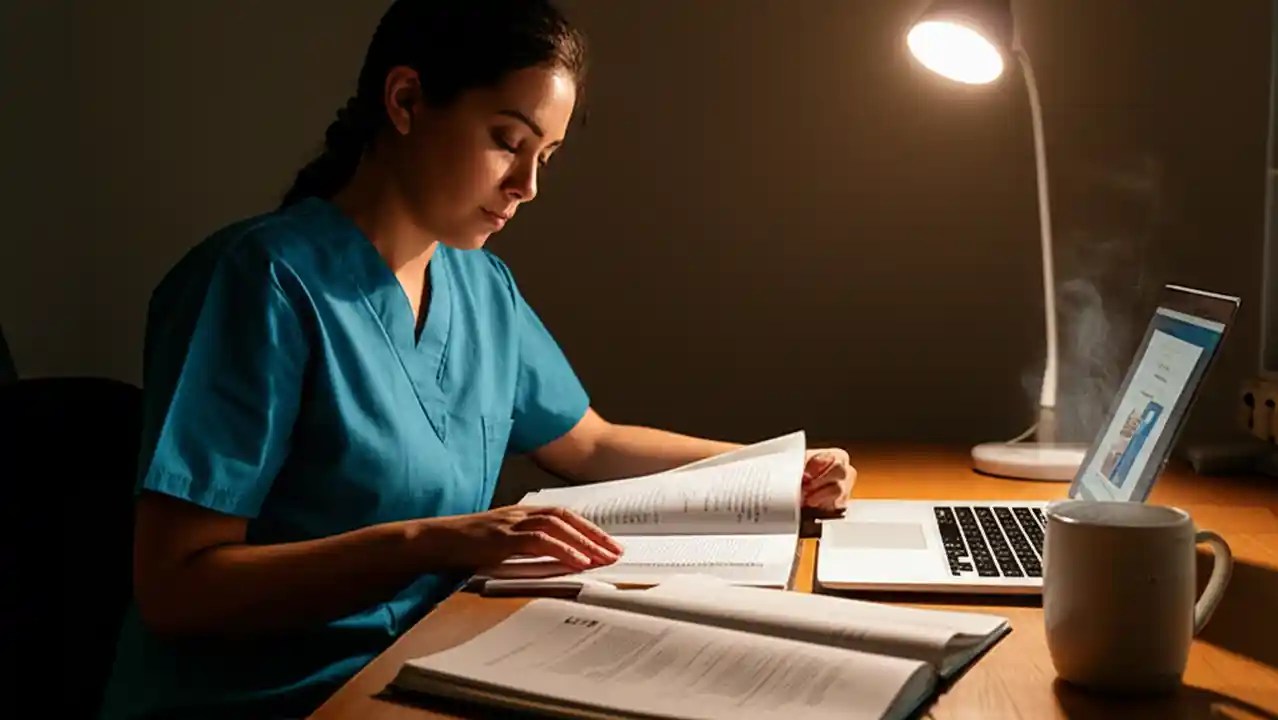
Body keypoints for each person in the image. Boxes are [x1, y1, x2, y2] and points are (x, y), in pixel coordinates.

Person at [98, 1, 855, 718]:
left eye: (546, 156)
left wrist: (773, 470)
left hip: (428, 662)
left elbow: (586, 441)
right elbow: (177, 588)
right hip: (276, 697)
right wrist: (436, 540)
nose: (526, 187)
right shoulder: (259, 284)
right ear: (404, 101)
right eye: (507, 141)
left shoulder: (479, 285)